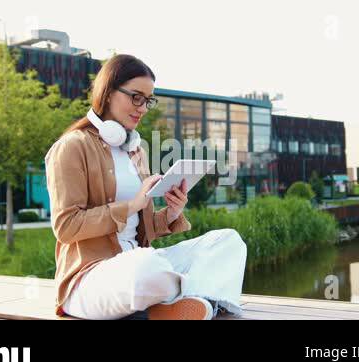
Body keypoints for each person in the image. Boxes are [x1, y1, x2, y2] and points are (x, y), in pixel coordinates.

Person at [45, 54, 247, 320]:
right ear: (107, 93)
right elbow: (66, 226)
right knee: (146, 265)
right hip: (92, 278)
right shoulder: (71, 147)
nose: (142, 107)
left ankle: (180, 304)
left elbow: (141, 227)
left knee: (227, 241)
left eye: (148, 100)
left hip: (137, 261)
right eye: (136, 97)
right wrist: (131, 205)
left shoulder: (134, 150)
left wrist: (171, 214)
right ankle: (198, 296)